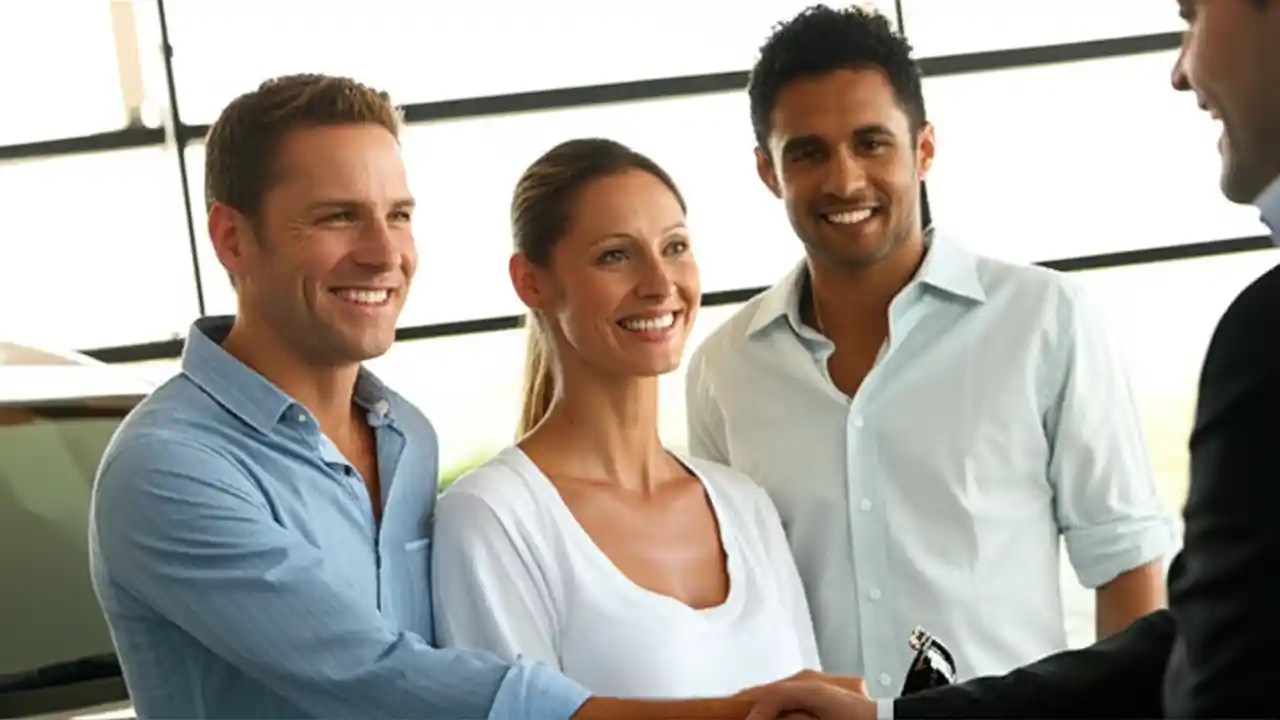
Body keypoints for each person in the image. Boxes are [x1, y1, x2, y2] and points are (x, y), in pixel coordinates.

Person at [83, 73, 815, 720]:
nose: (383, 251)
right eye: (339, 216)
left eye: (398, 214)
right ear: (232, 239)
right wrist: (731, 717)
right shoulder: (171, 470)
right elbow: (374, 680)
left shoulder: (405, 436)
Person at [743, 0, 1280, 717]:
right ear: (767, 171)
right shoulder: (724, 370)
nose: (844, 180)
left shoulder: (1047, 318)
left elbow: (1134, 575)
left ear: (923, 149)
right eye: (808, 151)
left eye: (872, 141)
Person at [430, 138, 829, 699]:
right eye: (615, 254)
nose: (660, 284)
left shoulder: (743, 505)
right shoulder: (494, 518)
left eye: (675, 247)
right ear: (531, 282)